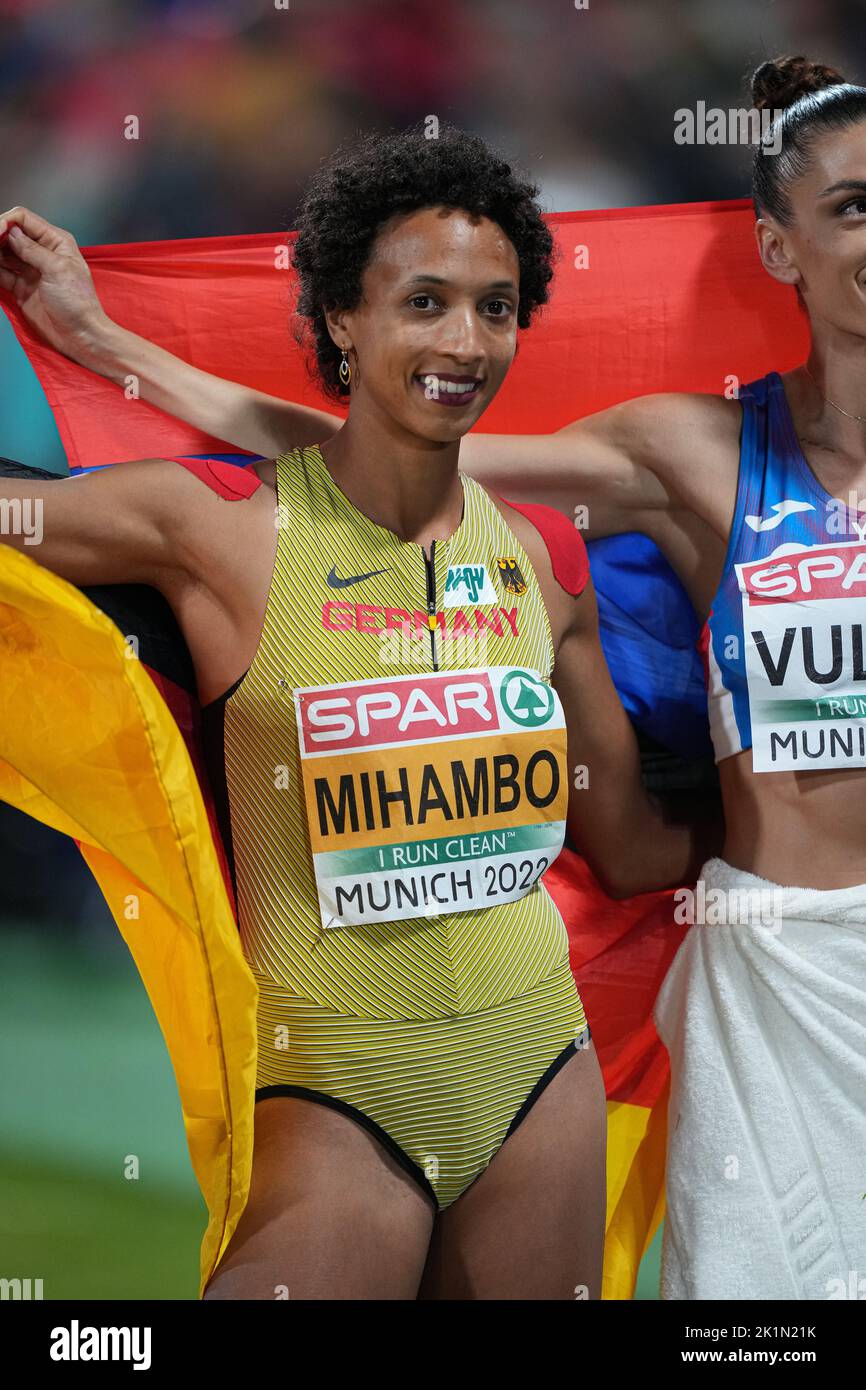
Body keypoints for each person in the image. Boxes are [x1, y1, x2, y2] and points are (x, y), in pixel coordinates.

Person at [7, 52, 862, 1303]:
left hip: (546, 1075)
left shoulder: (535, 565)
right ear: (777, 246)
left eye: (493, 309)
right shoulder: (689, 458)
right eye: (850, 205)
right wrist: (104, 343)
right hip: (757, 987)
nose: (461, 342)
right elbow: (394, 444)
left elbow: (621, 834)